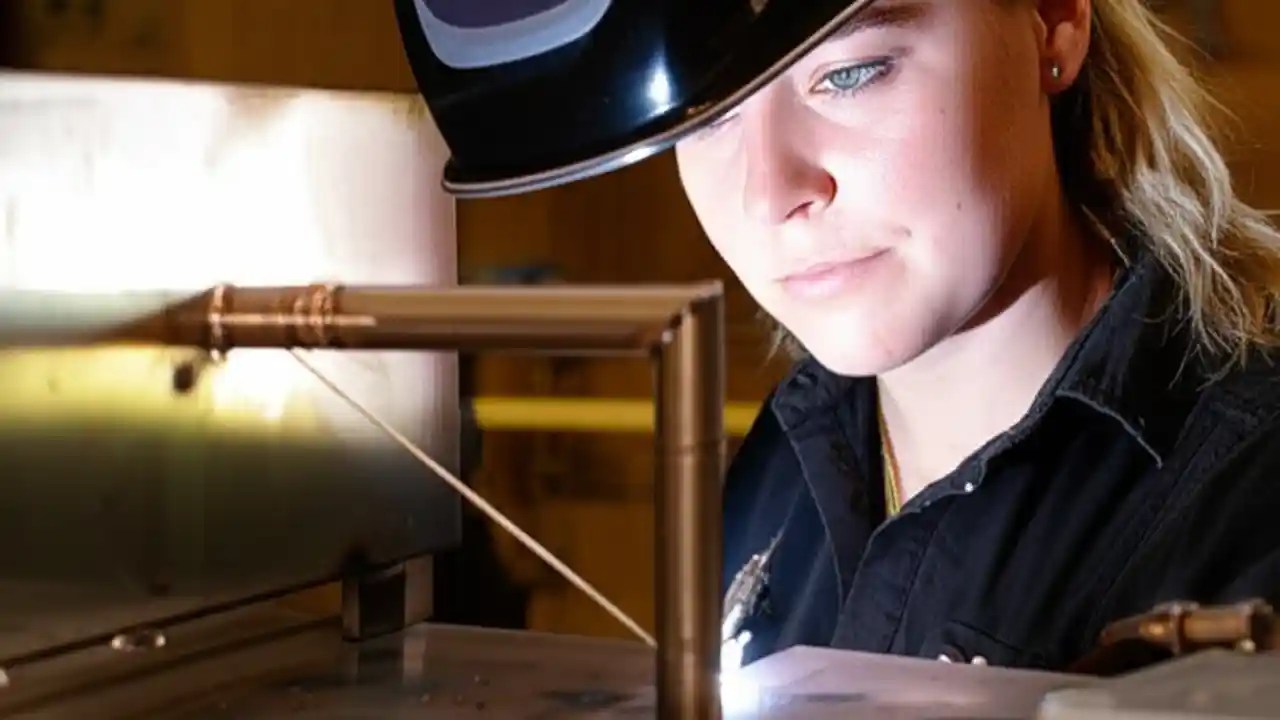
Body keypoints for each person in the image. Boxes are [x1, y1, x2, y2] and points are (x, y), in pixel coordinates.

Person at [400, 0, 1280, 672]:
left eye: (848, 74)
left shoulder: (1248, 507)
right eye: (705, 118)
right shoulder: (774, 473)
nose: (770, 191)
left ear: (1053, 23)